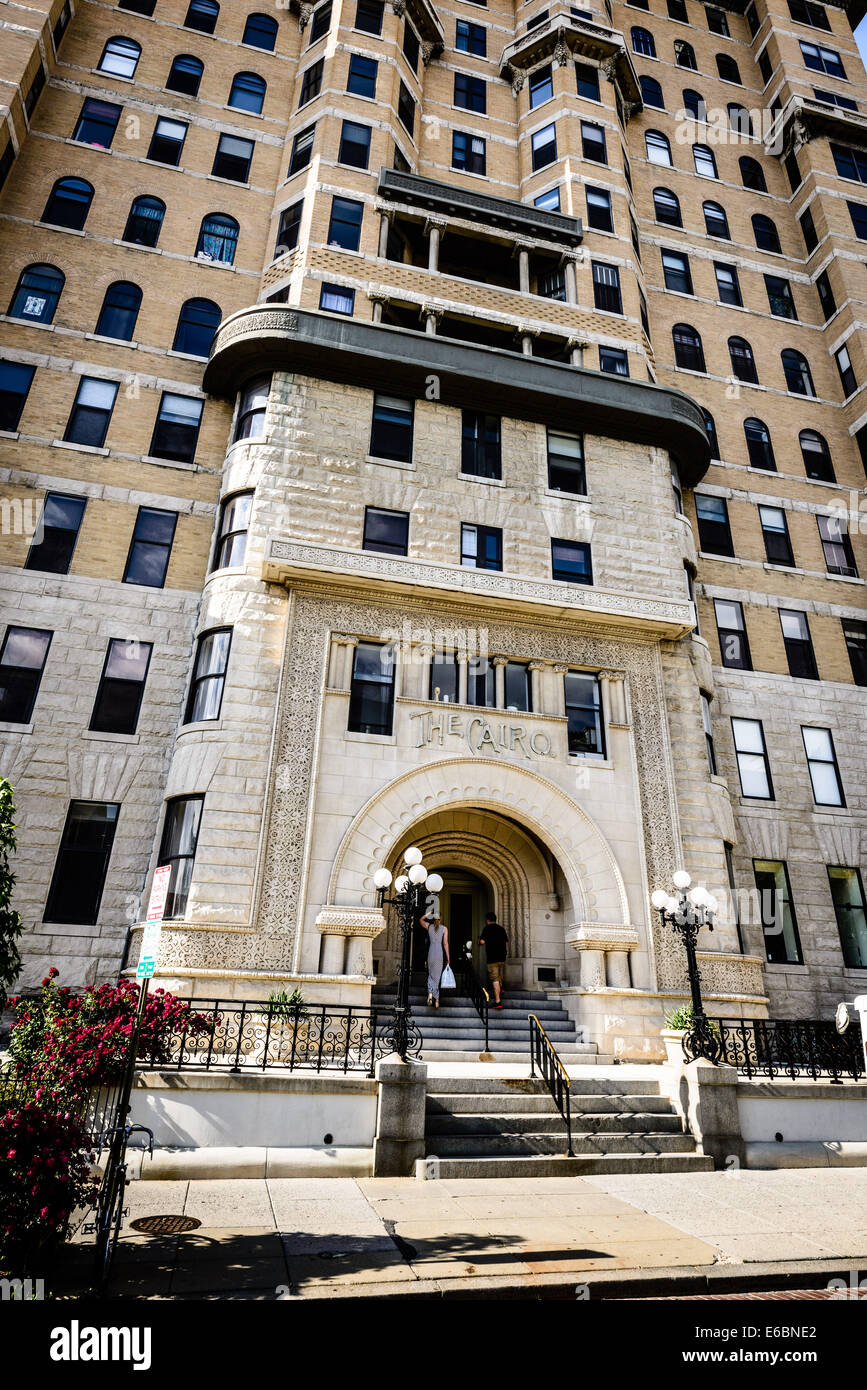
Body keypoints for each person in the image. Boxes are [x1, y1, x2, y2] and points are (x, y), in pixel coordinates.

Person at [419, 912, 449, 1007]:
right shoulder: (444, 929)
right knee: (437, 977)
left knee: (431, 975)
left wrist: (428, 913)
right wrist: (448, 957)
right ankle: (437, 1000)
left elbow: (420, 920)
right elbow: (445, 944)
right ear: (440, 918)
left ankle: (430, 993)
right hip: (439, 953)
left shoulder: (429, 926)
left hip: (431, 953)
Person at [480, 911, 508, 1009]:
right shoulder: (501, 929)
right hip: (502, 957)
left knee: (494, 978)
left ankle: (497, 1002)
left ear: (487, 920)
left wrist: (479, 942)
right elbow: (506, 942)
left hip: (492, 958)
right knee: (498, 972)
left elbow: (482, 942)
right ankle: (501, 987)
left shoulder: (487, 928)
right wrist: (504, 952)